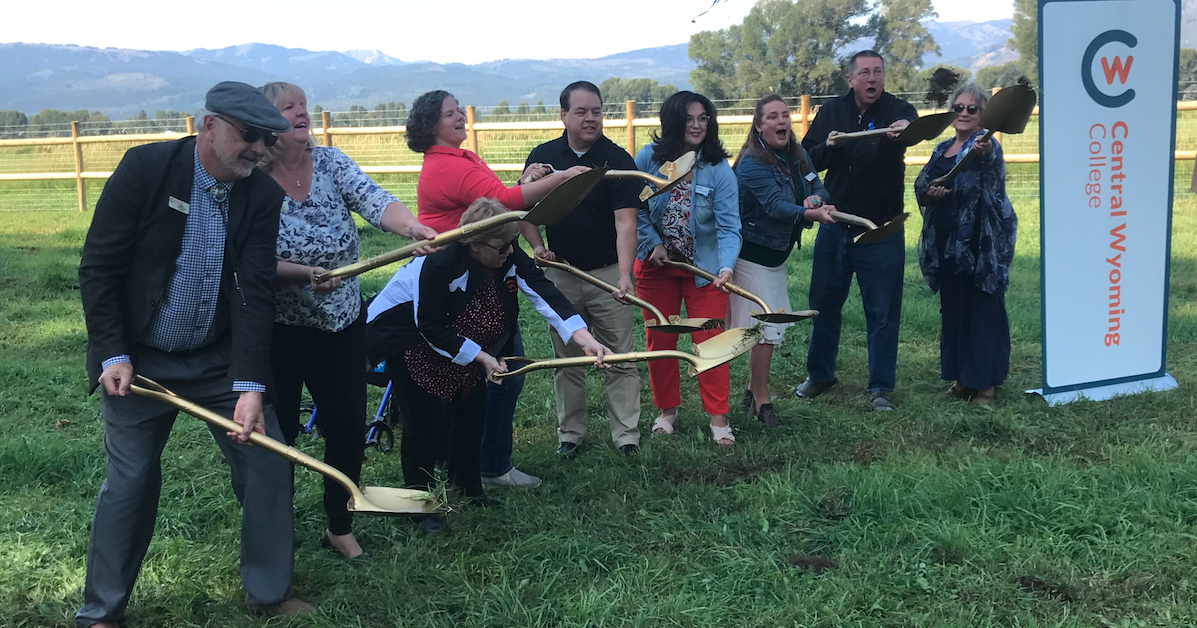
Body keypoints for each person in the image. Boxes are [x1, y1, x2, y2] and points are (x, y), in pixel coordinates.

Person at [76, 82, 314, 627]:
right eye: (246, 136)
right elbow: (99, 269)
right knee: (130, 482)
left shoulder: (261, 194)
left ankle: (270, 591)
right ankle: (101, 612)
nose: (257, 148)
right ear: (208, 126)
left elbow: (254, 292)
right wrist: (113, 352)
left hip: (216, 358)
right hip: (137, 361)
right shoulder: (145, 170)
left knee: (269, 460)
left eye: (265, 139)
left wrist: (250, 384)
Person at [257, 82, 439, 559]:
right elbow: (248, 261)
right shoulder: (250, 180)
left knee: (346, 427)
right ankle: (275, 534)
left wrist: (411, 227)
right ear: (263, 122)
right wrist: (303, 274)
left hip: (342, 324)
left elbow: (376, 200)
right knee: (281, 438)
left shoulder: (332, 163)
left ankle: (339, 525)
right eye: (287, 107)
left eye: (303, 104)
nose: (301, 112)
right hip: (279, 329)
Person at [365, 198, 610, 533]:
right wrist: (481, 357)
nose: (510, 252)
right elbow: (431, 325)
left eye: (513, 244)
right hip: (406, 333)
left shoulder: (504, 248)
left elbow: (541, 290)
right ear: (473, 243)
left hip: (457, 330)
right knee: (423, 418)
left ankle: (467, 486)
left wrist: (584, 338)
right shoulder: (438, 263)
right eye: (501, 247)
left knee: (472, 406)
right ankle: (417, 505)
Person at [406, 90, 588, 488]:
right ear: (429, 125)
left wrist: (525, 182)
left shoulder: (462, 158)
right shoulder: (445, 166)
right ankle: (484, 466)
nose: (460, 118)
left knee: (497, 371)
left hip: (486, 270)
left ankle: (467, 461)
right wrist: (563, 178)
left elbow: (491, 202)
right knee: (490, 373)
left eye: (458, 111)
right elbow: (503, 202)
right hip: (460, 283)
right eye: (450, 114)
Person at [520, 81, 643, 458]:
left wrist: (624, 275)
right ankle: (570, 435)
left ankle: (626, 437)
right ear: (563, 116)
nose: (591, 119)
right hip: (561, 275)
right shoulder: (543, 158)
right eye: (581, 112)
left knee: (620, 356)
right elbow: (522, 209)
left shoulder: (618, 160)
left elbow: (626, 222)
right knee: (567, 358)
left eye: (596, 111)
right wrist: (538, 247)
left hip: (607, 275)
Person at [798, 50, 918, 411]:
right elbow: (807, 159)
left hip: (881, 230)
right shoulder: (832, 112)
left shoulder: (899, 111)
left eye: (878, 72)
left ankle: (880, 387)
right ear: (850, 79)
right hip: (836, 225)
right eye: (864, 73)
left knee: (882, 310)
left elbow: (914, 132)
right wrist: (830, 147)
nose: (872, 79)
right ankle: (820, 375)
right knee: (823, 304)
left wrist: (903, 134)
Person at [635, 91, 742, 446]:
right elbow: (634, 209)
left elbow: (729, 227)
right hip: (656, 268)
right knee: (660, 340)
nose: (697, 125)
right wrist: (652, 244)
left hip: (705, 270)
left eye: (703, 118)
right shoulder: (650, 159)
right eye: (689, 118)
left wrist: (726, 267)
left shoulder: (718, 169)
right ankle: (667, 412)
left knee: (711, 342)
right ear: (672, 122)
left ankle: (718, 420)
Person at [732, 94, 837, 428]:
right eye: (773, 117)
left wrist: (816, 198)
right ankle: (762, 401)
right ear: (759, 125)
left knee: (768, 327)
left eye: (785, 116)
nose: (781, 122)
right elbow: (774, 205)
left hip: (776, 258)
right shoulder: (751, 162)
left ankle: (752, 390)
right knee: (767, 328)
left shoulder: (797, 153)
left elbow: (821, 187)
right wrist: (810, 212)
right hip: (751, 257)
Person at [913, 83, 1016, 406]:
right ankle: (962, 377)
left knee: (982, 310)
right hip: (944, 241)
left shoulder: (985, 145)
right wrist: (931, 193)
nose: (964, 113)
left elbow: (989, 173)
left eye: (972, 108)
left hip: (979, 242)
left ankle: (985, 384)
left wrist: (981, 156)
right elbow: (923, 184)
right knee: (955, 310)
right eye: (959, 107)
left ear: (983, 114)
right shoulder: (941, 147)